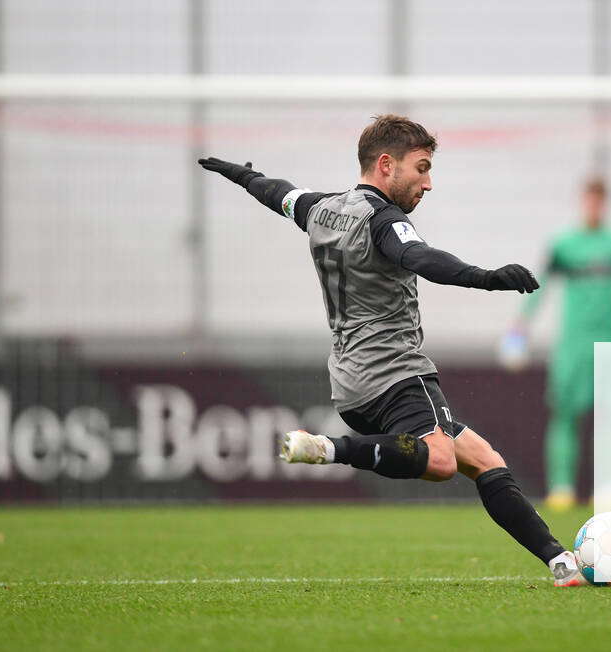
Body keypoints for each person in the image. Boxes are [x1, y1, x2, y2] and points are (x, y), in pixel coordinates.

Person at [198, 114, 585, 587]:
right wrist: (486, 277)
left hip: (349, 386)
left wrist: (241, 174)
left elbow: (276, 191)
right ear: (386, 164)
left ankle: (559, 560)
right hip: (396, 372)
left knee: (483, 458)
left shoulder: (320, 209)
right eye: (421, 168)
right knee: (441, 460)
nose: (428, 183)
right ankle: (327, 449)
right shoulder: (385, 221)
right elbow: (421, 258)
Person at [507, 177, 611, 511]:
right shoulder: (565, 245)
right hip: (571, 343)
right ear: (582, 202)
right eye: (589, 200)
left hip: (608, 341)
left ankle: (608, 487)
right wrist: (520, 326)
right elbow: (541, 287)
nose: (594, 207)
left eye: (599, 201)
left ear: (605, 203)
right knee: (565, 412)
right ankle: (562, 488)